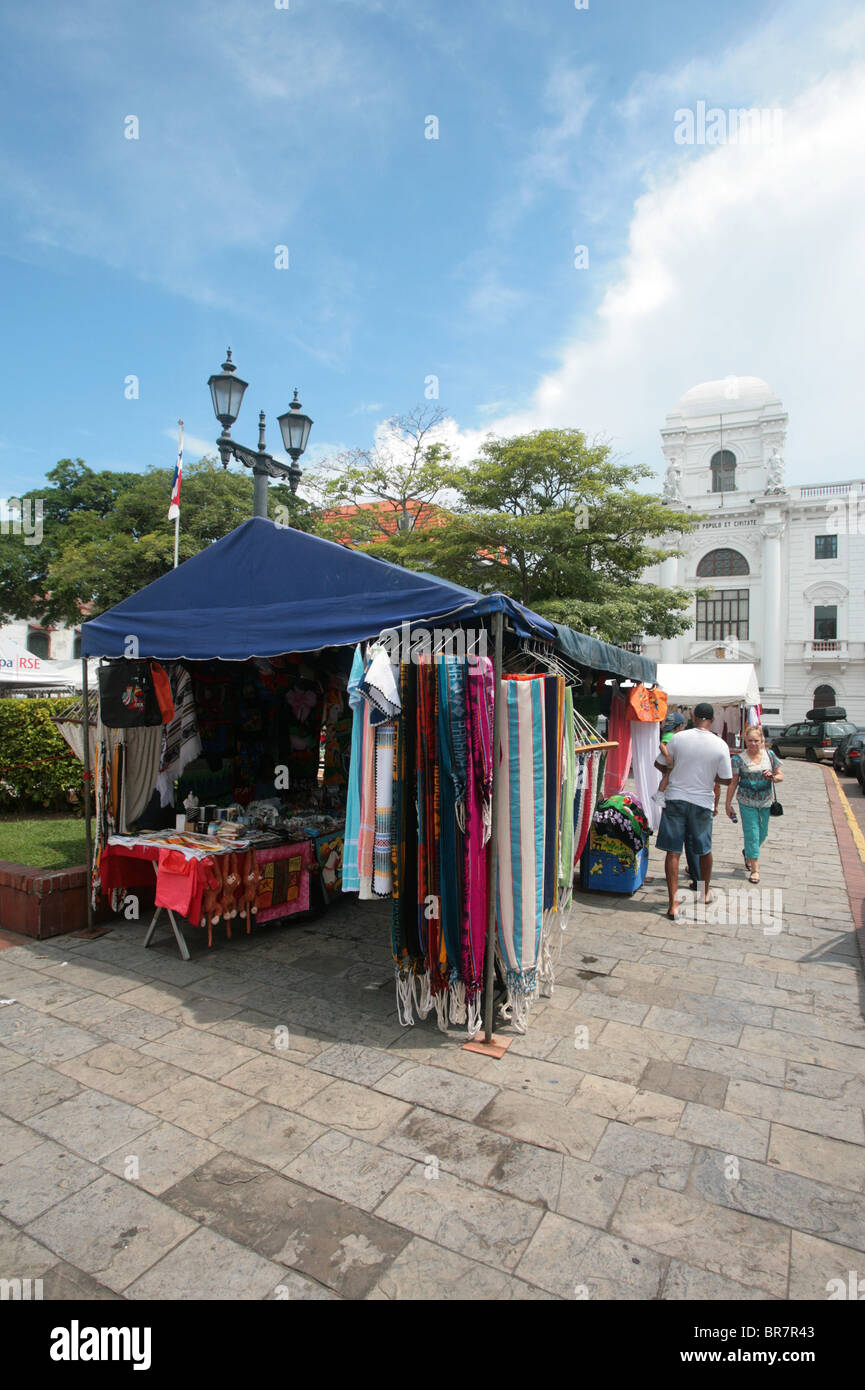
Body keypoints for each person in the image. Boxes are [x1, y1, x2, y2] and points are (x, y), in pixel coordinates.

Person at [654, 702, 732, 918]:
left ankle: (673, 904)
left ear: (693, 716)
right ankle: (705, 892)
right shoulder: (720, 744)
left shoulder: (678, 738)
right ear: (712, 720)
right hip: (702, 801)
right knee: (704, 849)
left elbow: (660, 764)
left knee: (673, 851)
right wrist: (708, 776)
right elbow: (726, 779)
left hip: (676, 798)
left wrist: (677, 768)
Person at [725, 724, 783, 883]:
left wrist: (773, 777)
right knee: (752, 833)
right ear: (745, 741)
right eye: (750, 740)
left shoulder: (770, 755)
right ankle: (755, 869)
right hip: (746, 800)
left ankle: (748, 852)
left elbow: (780, 775)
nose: (753, 744)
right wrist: (727, 804)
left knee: (763, 833)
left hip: (765, 801)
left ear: (762, 740)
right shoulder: (738, 759)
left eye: (756, 740)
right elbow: (733, 782)